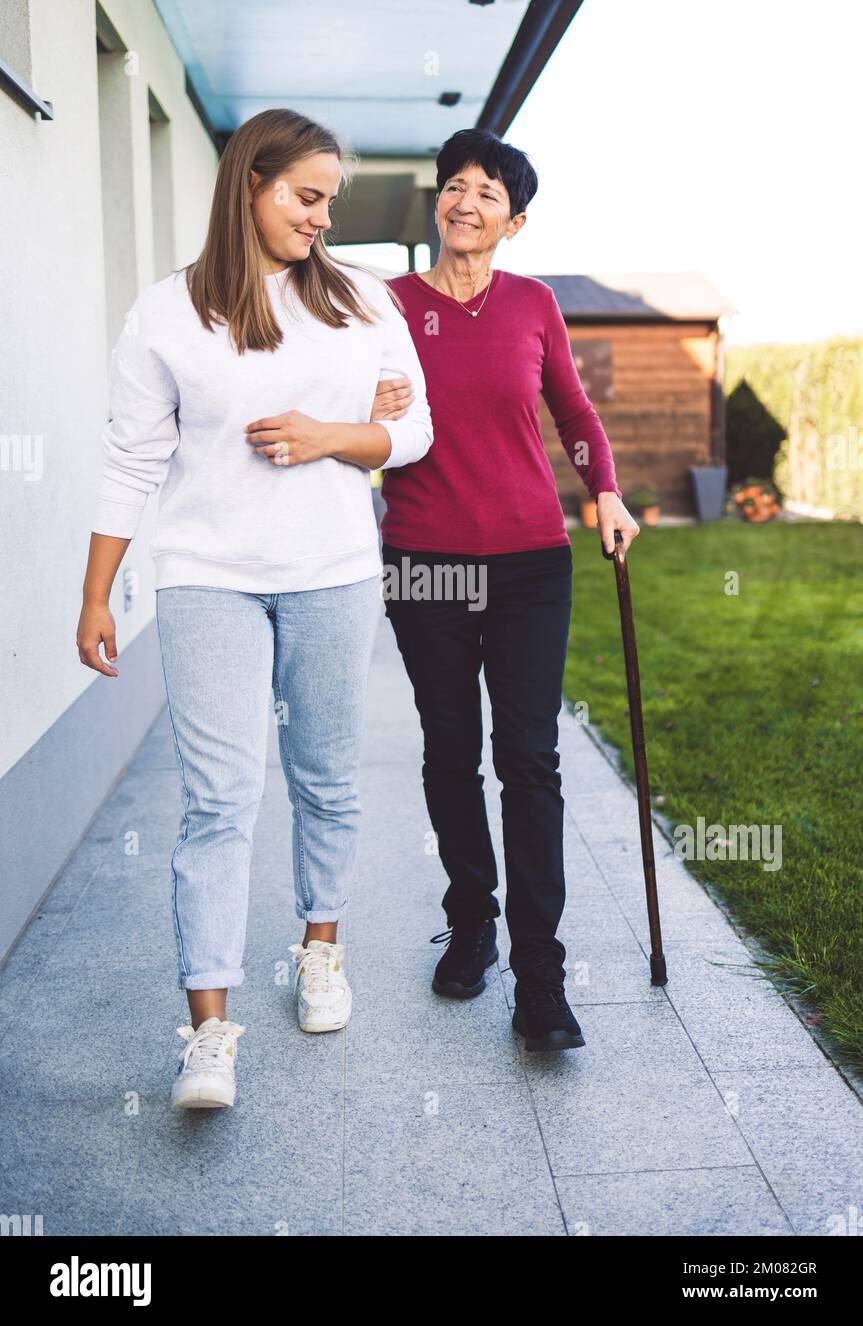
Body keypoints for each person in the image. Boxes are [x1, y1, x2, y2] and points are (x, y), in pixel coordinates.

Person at [76, 108, 432, 1108]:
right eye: (306, 196)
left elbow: (414, 434)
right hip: (207, 580)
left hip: (332, 573)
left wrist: (333, 435)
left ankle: (320, 947)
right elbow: (132, 459)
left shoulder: (361, 302)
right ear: (250, 183)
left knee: (325, 780)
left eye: (331, 201)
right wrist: (97, 591)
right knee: (219, 801)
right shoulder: (166, 314)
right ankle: (210, 1033)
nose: (323, 217)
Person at [377, 128, 639, 1052]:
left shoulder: (532, 306)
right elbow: (349, 398)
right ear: (437, 205)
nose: (465, 202)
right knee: (450, 752)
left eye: (487, 193)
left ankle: (540, 977)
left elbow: (572, 411)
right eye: (453, 186)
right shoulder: (387, 304)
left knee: (528, 759)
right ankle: (471, 923)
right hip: (423, 560)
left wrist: (602, 489)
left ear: (513, 221)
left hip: (531, 562)